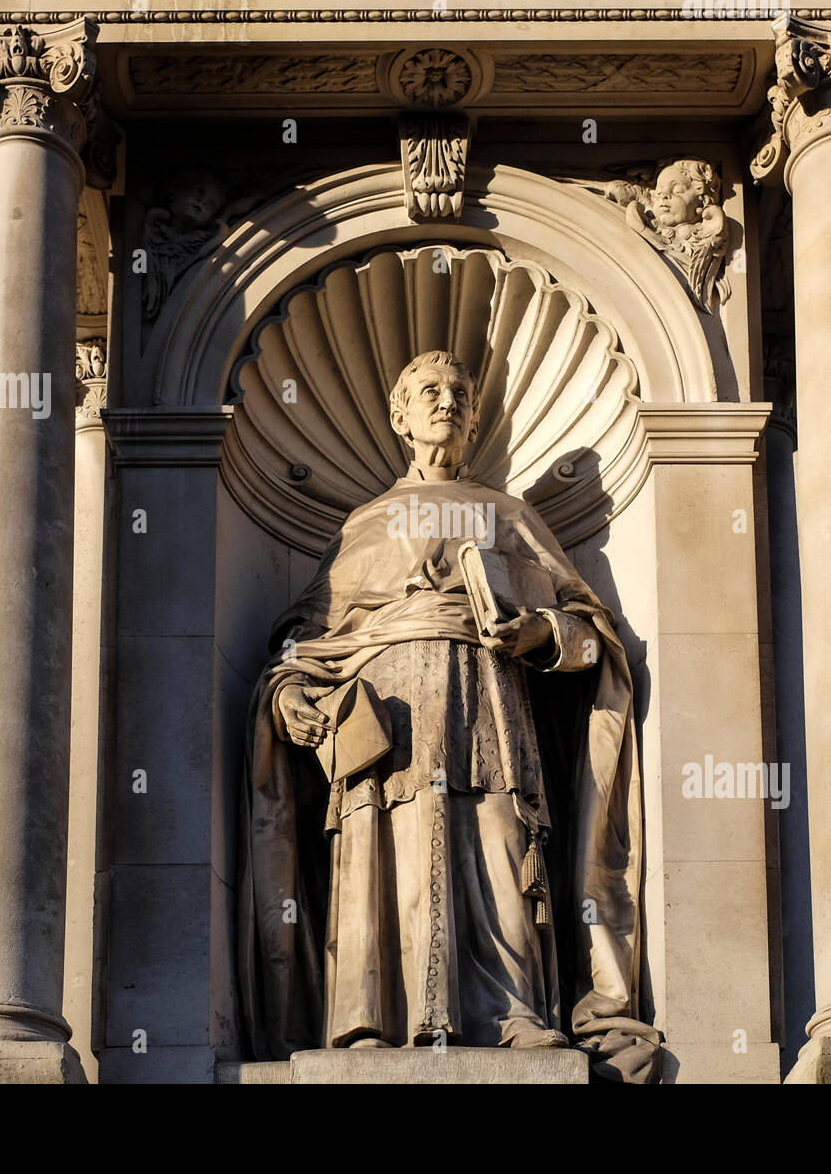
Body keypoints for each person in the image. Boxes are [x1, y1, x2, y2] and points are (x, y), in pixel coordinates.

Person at [238, 350, 660, 1081]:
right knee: (380, 849)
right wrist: (288, 696)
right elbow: (305, 640)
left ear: (475, 413)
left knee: (501, 839)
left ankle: (518, 1012)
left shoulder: (510, 517)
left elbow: (594, 638)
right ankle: (366, 1019)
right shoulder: (366, 525)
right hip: (385, 726)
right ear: (400, 416)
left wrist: (541, 634)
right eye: (428, 390)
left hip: (490, 704)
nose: (447, 401)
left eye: (461, 391)